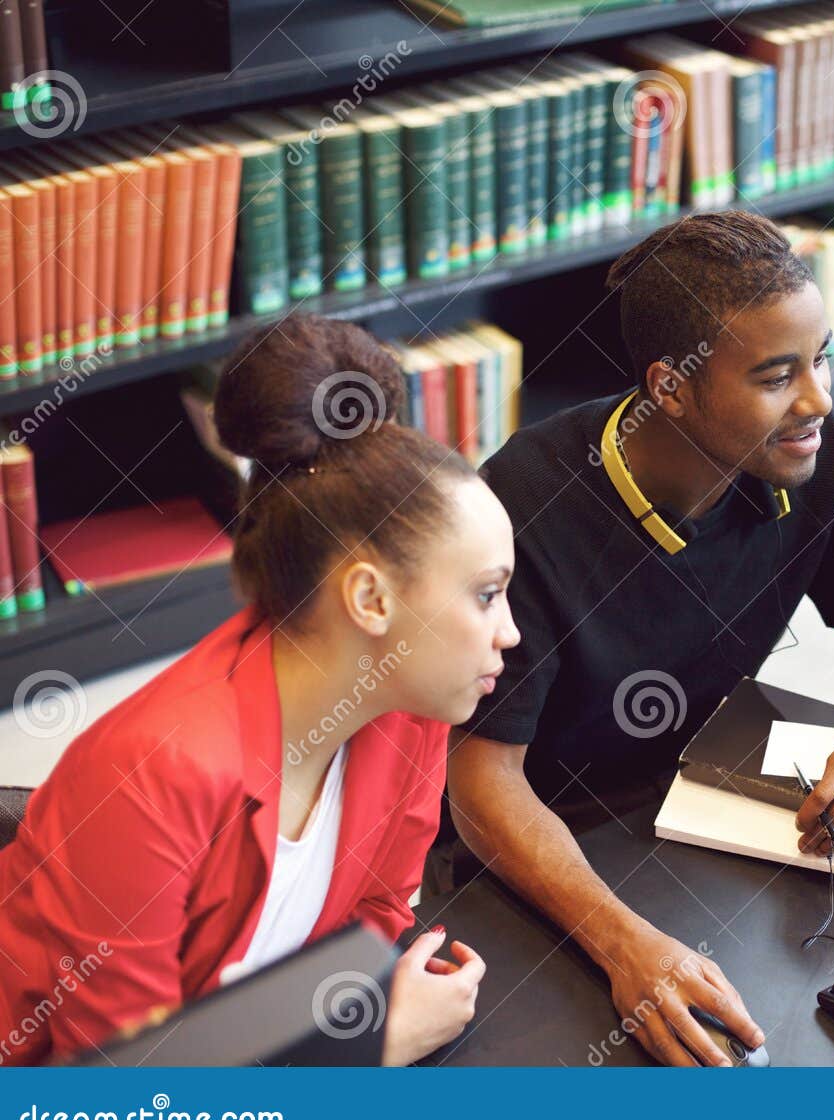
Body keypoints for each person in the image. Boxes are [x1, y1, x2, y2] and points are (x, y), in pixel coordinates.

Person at [446, 210, 834, 1067]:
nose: (820, 398)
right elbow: (480, 784)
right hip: (544, 856)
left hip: (699, 817)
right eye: (777, 374)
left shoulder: (810, 452)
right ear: (670, 387)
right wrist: (621, 944)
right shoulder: (526, 503)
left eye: (821, 358)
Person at [0, 315, 520, 1066]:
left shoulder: (406, 706)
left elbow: (371, 917)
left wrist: (330, 1025)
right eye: (485, 594)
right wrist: (367, 1042)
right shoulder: (152, 775)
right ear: (370, 600)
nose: (508, 632)